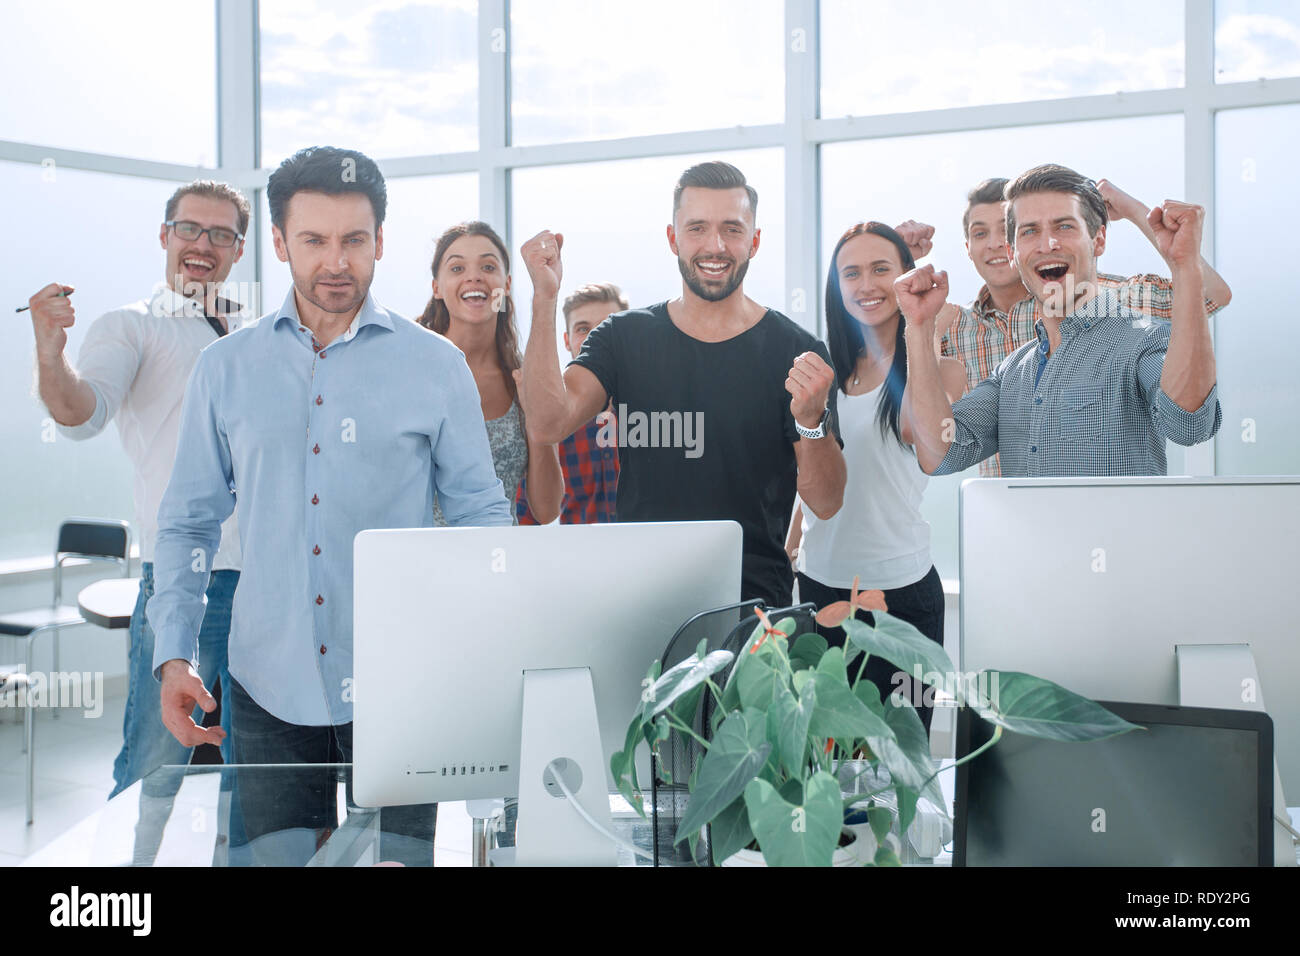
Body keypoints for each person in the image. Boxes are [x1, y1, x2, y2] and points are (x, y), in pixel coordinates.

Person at [149, 147, 513, 865]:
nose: (336, 261)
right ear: (281, 243)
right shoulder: (225, 368)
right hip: (265, 684)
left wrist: (481, 645)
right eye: (314, 240)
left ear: (381, 241)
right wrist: (173, 654)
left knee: (400, 863)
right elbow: (188, 520)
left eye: (354, 240)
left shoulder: (434, 365)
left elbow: (480, 515)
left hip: (403, 681)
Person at [26, 179, 248, 862]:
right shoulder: (131, 325)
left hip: (277, 581)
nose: (202, 246)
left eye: (219, 234)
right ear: (164, 236)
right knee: (155, 763)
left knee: (253, 768)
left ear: (239, 249)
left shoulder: (256, 327)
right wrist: (47, 347)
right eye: (189, 229)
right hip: (189, 579)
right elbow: (80, 413)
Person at [519, 161, 847, 608]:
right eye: (697, 228)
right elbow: (546, 422)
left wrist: (811, 422)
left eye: (732, 229)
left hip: (754, 614)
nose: (715, 245)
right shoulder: (622, 337)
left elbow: (826, 503)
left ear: (754, 241)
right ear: (673, 238)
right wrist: (544, 298)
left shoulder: (798, 352)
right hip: (643, 603)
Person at [903, 163, 1222, 478]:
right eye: (1030, 232)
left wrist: (1185, 266)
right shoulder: (1012, 372)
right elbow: (940, 454)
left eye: (1064, 227)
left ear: (1098, 240)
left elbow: (1190, 424)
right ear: (1013, 252)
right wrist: (918, 326)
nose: (1047, 244)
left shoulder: (1142, 339)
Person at [786, 223, 965, 732]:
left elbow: (923, 437)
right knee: (824, 767)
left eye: (881, 270)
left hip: (904, 599)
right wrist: (792, 543)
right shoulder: (824, 375)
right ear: (834, 288)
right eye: (852, 273)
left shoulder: (942, 371)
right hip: (819, 589)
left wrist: (919, 323)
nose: (866, 284)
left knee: (895, 773)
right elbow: (816, 474)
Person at [418, 221, 562, 527]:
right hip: (420, 562)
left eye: (488, 266)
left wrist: (536, 418)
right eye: (457, 269)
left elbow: (547, 509)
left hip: (495, 562)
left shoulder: (524, 375)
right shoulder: (411, 369)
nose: (474, 276)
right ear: (437, 289)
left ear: (506, 285)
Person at [516, 282, 627, 525]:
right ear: (567, 341)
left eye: (607, 327)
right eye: (583, 329)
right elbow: (529, 517)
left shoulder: (658, 409)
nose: (596, 338)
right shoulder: (549, 420)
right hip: (574, 557)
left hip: (650, 555)